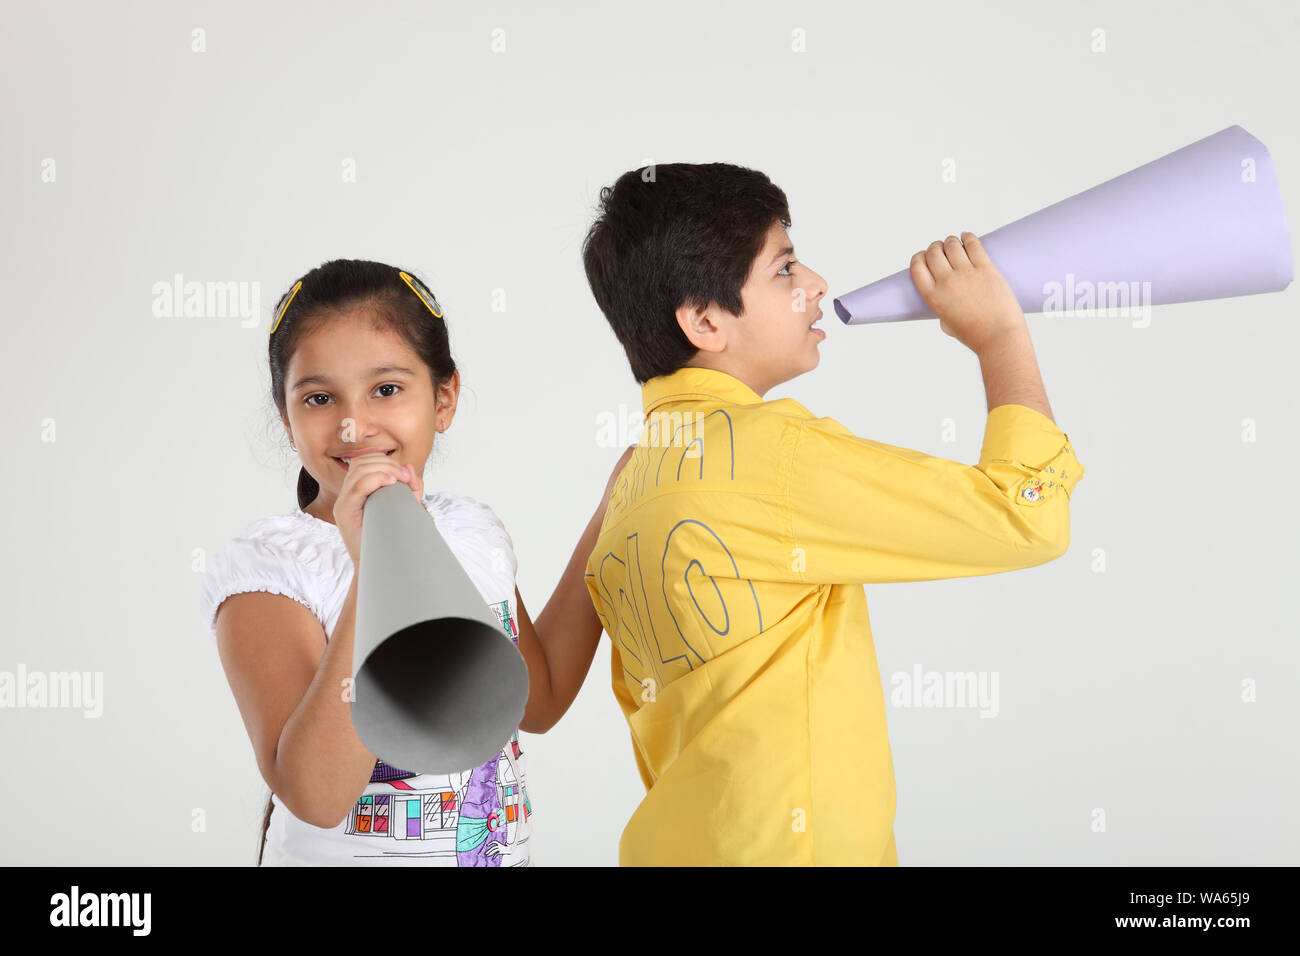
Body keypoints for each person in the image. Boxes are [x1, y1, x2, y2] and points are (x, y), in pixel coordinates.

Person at [577, 162, 1086, 865]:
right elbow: (1028, 518)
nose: (815, 282)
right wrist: (1000, 338)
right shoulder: (774, 456)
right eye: (784, 268)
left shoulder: (633, 480)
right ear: (704, 319)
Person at [197, 259, 627, 866]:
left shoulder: (471, 533)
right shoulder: (270, 569)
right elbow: (317, 796)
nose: (354, 424)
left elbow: (539, 700)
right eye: (319, 397)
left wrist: (613, 511)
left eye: (387, 389)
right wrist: (370, 564)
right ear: (285, 416)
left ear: (443, 398)